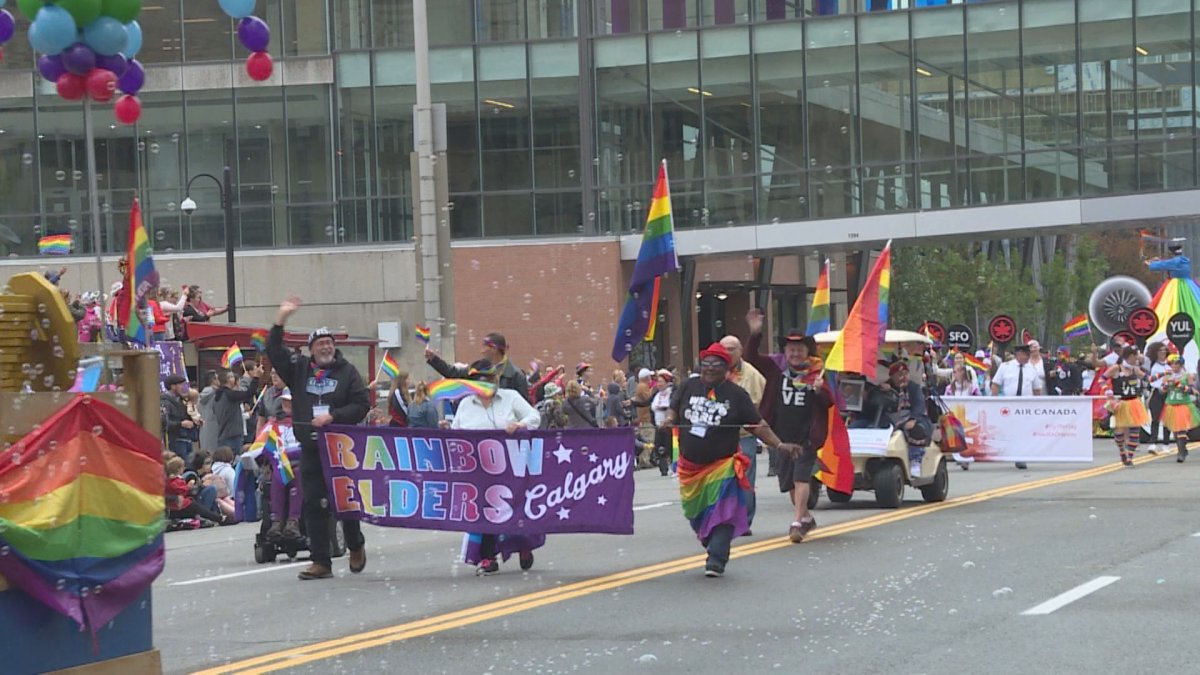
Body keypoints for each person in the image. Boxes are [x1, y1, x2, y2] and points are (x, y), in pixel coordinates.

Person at [665, 343, 802, 577]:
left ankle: (717, 559)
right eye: (705, 364)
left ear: (726, 368)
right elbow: (673, 408)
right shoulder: (688, 385)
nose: (709, 369)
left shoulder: (737, 395)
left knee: (724, 512)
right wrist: (668, 421)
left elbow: (757, 425)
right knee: (695, 513)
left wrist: (779, 445)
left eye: (716, 365)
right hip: (690, 468)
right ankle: (712, 542)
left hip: (723, 466)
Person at [267, 296, 371, 580]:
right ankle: (321, 561)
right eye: (320, 343)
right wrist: (281, 318)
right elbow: (273, 350)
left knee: (345, 502)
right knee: (313, 503)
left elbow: (362, 404)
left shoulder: (348, 372)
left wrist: (333, 416)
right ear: (311, 350)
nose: (326, 347)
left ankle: (355, 545)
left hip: (340, 448)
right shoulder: (298, 369)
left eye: (329, 343)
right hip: (311, 448)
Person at [743, 317, 832, 543]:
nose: (795, 354)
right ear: (785, 351)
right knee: (789, 483)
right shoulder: (776, 368)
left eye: (799, 350)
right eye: (791, 350)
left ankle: (795, 522)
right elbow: (750, 357)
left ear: (806, 351)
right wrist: (755, 334)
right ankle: (805, 518)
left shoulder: (818, 373)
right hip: (780, 436)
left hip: (806, 436)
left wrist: (820, 391)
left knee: (802, 477)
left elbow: (830, 402)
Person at [452, 360, 542, 575]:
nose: (483, 387)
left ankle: (523, 544)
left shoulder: (510, 397)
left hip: (510, 467)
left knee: (514, 509)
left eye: (488, 381)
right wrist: (448, 431)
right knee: (484, 511)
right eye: (478, 383)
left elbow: (534, 416)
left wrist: (520, 425)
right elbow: (456, 431)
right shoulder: (465, 405)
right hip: (478, 470)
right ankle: (487, 557)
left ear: (496, 380)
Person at [719, 335, 767, 533]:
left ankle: (744, 522)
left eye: (732, 349)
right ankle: (721, 519)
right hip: (718, 436)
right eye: (724, 349)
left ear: (740, 351)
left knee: (745, 478)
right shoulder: (714, 370)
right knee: (720, 480)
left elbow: (760, 403)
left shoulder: (752, 375)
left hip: (744, 434)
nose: (728, 353)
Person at [426, 332, 529, 402]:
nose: (481, 351)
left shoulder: (516, 375)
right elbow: (454, 374)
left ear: (494, 349)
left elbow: (524, 406)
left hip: (505, 427)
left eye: (484, 346)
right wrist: (434, 360)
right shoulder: (478, 368)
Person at [991, 343, 1043, 470]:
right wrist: (994, 401)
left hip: (1026, 406)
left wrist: (1037, 405)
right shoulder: (1005, 367)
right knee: (1009, 430)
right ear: (1019, 355)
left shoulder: (1032, 369)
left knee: (1024, 431)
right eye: (1026, 355)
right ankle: (1009, 452)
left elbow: (1036, 389)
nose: (1027, 358)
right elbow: (996, 384)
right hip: (1009, 405)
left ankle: (1021, 456)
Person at [881, 361, 933, 480]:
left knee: (917, 429)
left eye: (905, 374)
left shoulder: (913, 387)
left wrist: (913, 418)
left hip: (912, 417)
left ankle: (915, 461)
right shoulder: (887, 388)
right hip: (892, 420)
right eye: (899, 375)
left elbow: (919, 405)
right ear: (892, 377)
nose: (903, 378)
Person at [1104, 346, 1151, 468]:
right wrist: (1107, 391)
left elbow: (1147, 378)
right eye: (1136, 356)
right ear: (1130, 356)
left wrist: (1162, 376)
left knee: (1135, 431)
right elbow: (1102, 379)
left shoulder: (1135, 369)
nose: (1137, 358)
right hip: (1121, 403)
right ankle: (1122, 451)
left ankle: (1130, 456)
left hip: (1134, 402)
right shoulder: (1117, 368)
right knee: (1119, 432)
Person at [211, 366, 262, 453]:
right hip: (233, 435)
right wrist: (256, 377)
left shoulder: (216, 396)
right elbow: (248, 393)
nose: (234, 378)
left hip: (222, 434)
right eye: (231, 376)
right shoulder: (229, 395)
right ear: (228, 380)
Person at [1158, 353, 1198, 463]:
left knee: (1181, 430)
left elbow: (1193, 391)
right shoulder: (1167, 376)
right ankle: (1183, 449)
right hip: (1171, 405)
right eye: (1172, 364)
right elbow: (1162, 391)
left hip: (1183, 404)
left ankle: (1180, 453)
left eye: (1176, 364)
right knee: (1175, 431)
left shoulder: (1187, 376)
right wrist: (1166, 385)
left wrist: (1179, 385)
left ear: (1181, 365)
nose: (1174, 366)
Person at [160, 374, 195, 463]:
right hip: (175, 440)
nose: (182, 387)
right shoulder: (165, 402)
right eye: (180, 385)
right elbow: (164, 423)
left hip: (187, 438)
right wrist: (181, 424)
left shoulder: (182, 400)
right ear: (172, 386)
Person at [1145, 342, 1171, 454]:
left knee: (1167, 419)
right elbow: (1151, 380)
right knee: (1155, 418)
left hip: (1168, 393)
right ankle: (1153, 443)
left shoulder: (1170, 364)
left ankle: (1166, 444)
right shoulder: (1153, 365)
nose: (1163, 352)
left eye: (1164, 350)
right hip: (1156, 392)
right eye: (1160, 350)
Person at [650, 370, 676, 476]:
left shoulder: (672, 393)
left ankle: (673, 467)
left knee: (669, 447)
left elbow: (673, 406)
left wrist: (664, 409)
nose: (659, 384)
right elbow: (648, 403)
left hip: (668, 426)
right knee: (659, 448)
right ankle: (663, 469)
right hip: (658, 424)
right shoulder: (656, 394)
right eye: (658, 382)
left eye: (661, 382)